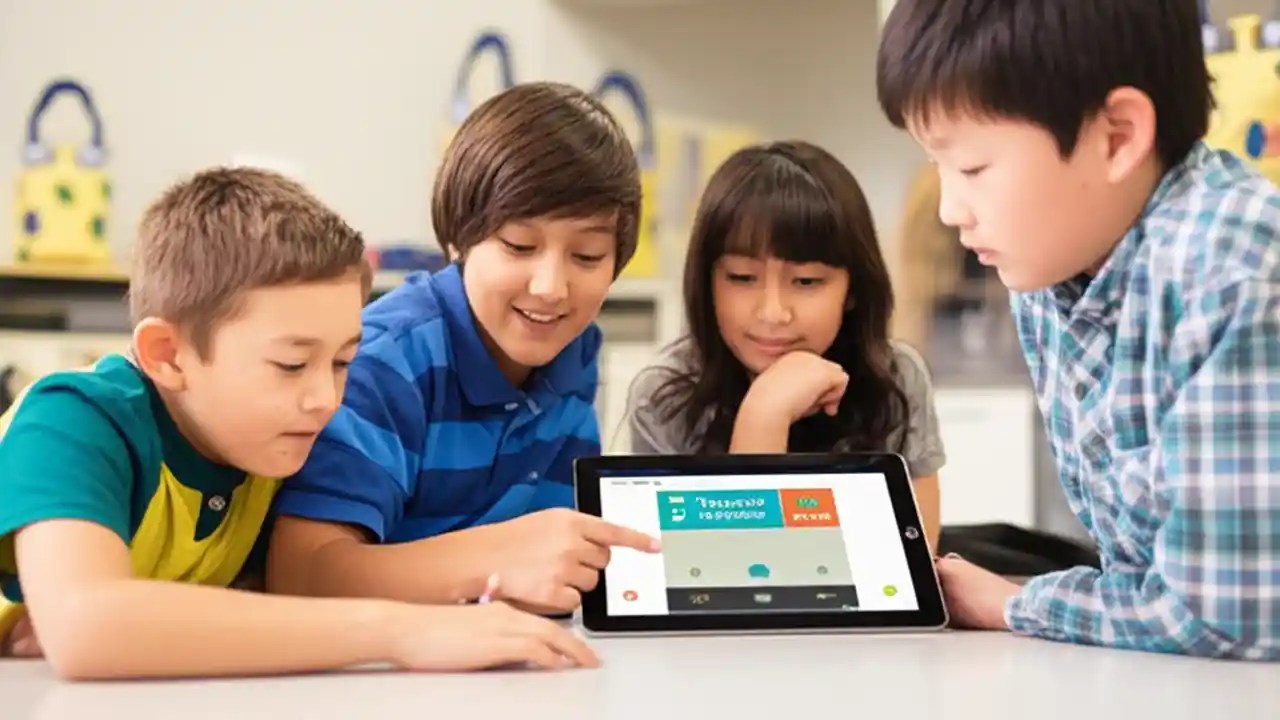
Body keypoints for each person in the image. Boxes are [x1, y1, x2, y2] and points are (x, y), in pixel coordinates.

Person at [0, 167, 596, 678]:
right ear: (166, 354)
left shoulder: (265, 446)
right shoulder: (72, 421)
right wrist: (399, 630)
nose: (325, 399)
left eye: (342, 362)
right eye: (290, 364)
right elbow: (87, 628)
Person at [876, 0, 1280, 660]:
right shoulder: (1054, 266)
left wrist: (1017, 603)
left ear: (1117, 136)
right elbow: (1139, 574)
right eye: (937, 168)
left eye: (973, 169)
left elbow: (1225, 615)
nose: (950, 208)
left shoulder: (1231, 265)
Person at [267, 82, 661, 615]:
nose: (551, 287)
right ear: (458, 239)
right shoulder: (387, 359)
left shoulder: (574, 353)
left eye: (587, 256)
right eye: (519, 246)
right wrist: (493, 558)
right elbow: (300, 575)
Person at [626, 140, 945, 550]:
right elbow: (732, 573)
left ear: (852, 289)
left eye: (807, 282)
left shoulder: (896, 377)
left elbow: (915, 568)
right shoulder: (664, 396)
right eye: (741, 278)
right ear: (707, 283)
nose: (773, 313)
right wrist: (766, 412)